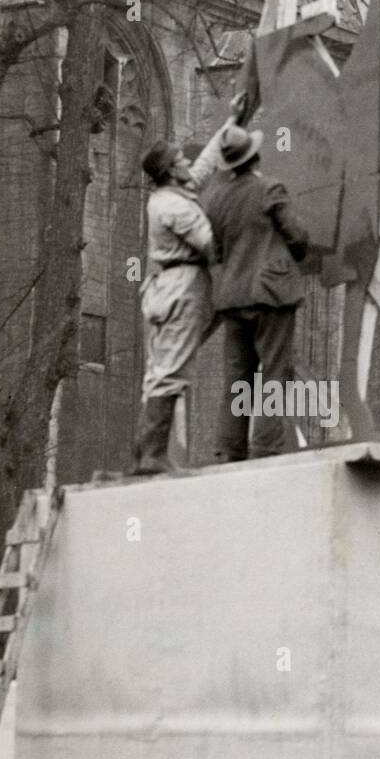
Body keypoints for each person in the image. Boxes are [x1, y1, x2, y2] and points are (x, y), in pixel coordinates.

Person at [133, 93, 245, 474]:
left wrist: (232, 121)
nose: (185, 161)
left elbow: (203, 167)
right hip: (181, 285)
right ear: (168, 171)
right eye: (178, 159)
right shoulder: (174, 206)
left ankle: (146, 453)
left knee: (163, 366)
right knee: (171, 368)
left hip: (171, 284)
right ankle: (150, 455)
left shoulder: (171, 192)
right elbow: (211, 245)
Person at [204, 124, 309, 462]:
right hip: (271, 295)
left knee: (237, 379)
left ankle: (227, 453)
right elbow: (298, 237)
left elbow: (217, 253)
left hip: (233, 298)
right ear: (255, 156)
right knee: (275, 373)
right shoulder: (270, 189)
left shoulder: (216, 199)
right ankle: (265, 451)